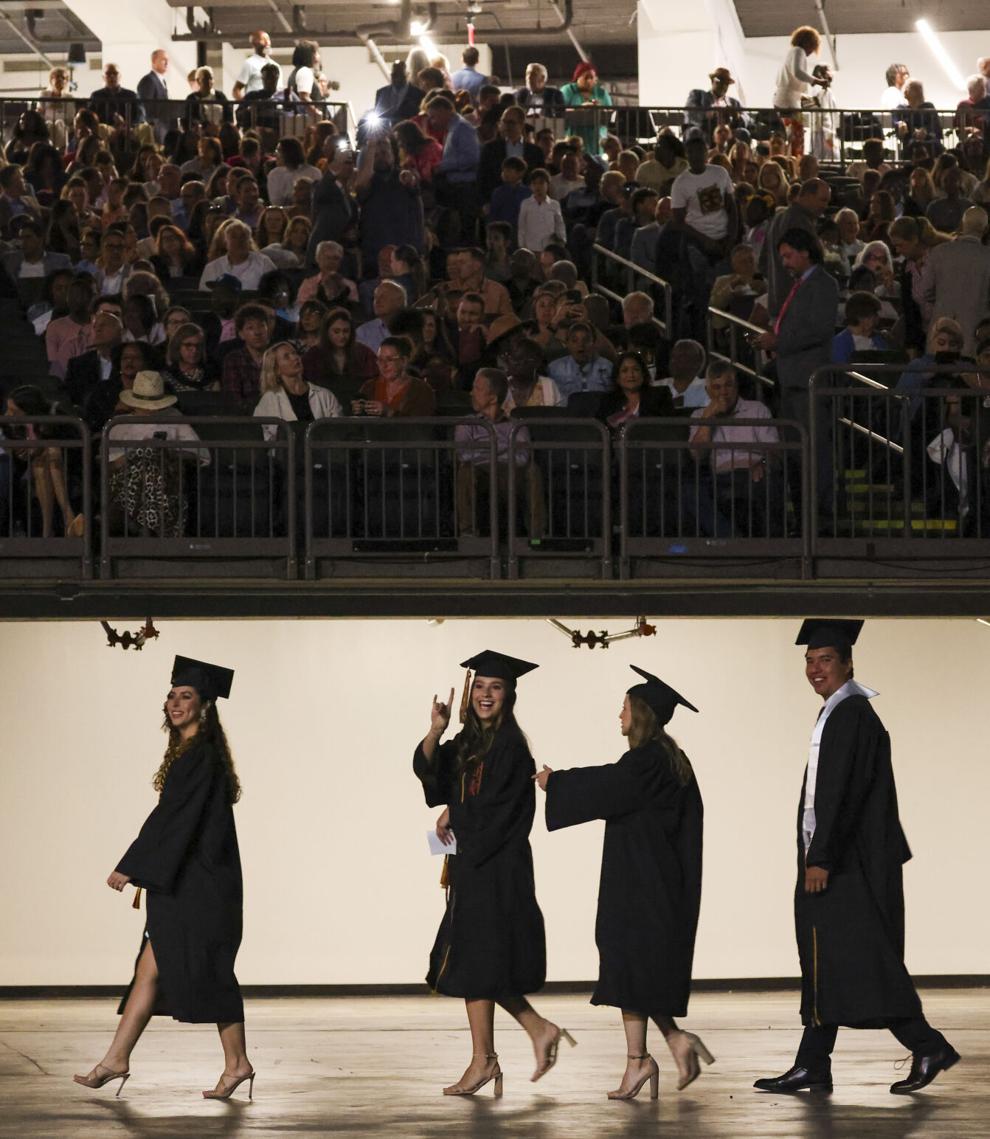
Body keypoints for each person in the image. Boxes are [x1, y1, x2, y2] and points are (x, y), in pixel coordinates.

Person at [754, 621, 960, 1097]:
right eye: (809, 660)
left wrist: (821, 857)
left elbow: (841, 794)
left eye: (825, 659)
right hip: (846, 860)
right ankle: (813, 1064)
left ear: (848, 664)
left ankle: (927, 1045)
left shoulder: (850, 715)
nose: (815, 668)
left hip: (846, 865)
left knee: (861, 960)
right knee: (828, 960)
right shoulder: (842, 712)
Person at [73, 657, 252, 1100]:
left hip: (202, 889)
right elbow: (173, 819)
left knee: (211, 972)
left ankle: (237, 1063)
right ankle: (117, 1059)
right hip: (188, 885)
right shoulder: (191, 754)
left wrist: (131, 865)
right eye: (171, 696)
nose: (175, 703)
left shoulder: (201, 757)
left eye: (186, 696)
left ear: (204, 707)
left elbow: (173, 819)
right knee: (149, 970)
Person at [537, 665, 709, 1098]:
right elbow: (614, 784)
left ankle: (640, 1060)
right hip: (653, 882)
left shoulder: (648, 761)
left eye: (625, 707)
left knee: (630, 965)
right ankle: (671, 1044)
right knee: (637, 970)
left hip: (642, 887)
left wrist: (556, 782)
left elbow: (609, 785)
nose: (620, 715)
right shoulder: (667, 759)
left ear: (641, 713)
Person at [413, 650, 571, 1096]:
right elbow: (432, 774)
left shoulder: (511, 748)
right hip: (474, 867)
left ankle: (491, 1056)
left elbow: (499, 814)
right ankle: (508, 1045)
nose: (485, 695)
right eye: (480, 686)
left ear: (509, 695)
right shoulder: (468, 742)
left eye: (495, 687)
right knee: (476, 962)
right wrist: (436, 730)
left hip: (497, 869)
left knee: (478, 961)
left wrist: (458, 817)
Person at [755, 228, 838, 521]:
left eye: (789, 256)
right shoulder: (801, 285)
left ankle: (821, 517)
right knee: (796, 452)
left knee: (813, 451)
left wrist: (778, 342)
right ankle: (804, 515)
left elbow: (819, 329)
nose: (785, 263)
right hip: (791, 379)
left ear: (805, 252)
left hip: (807, 380)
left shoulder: (822, 284)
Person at [686, 362, 782, 537]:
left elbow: (774, 449)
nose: (723, 392)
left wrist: (763, 462)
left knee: (767, 484)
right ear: (708, 391)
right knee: (690, 492)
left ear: (737, 387)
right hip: (719, 476)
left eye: (728, 385)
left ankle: (764, 542)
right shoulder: (699, 415)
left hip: (752, 472)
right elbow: (697, 455)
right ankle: (732, 537)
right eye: (717, 387)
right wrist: (707, 420)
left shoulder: (756, 409)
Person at [454, 368, 543, 537]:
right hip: (481, 473)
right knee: (466, 470)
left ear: (493, 398)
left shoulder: (517, 425)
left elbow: (522, 458)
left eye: (478, 388)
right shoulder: (466, 423)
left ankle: (536, 537)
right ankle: (468, 534)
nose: (471, 393)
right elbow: (464, 454)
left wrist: (486, 450)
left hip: (510, 475)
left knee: (533, 470)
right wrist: (502, 450)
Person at [924, 206, 990, 353]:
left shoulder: (938, 252)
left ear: (962, 225)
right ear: (986, 229)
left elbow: (926, 292)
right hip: (975, 337)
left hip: (940, 334)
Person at [254, 341, 342, 441]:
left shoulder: (325, 396)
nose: (295, 358)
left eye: (295, 353)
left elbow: (338, 431)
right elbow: (263, 436)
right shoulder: (269, 400)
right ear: (277, 369)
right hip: (286, 451)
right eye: (287, 357)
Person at [773, 27, 829, 157]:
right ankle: (794, 159)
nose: (812, 51)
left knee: (792, 133)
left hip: (786, 98)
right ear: (808, 43)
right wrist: (817, 81)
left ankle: (791, 157)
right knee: (796, 135)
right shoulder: (799, 51)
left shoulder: (792, 52)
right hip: (788, 100)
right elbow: (797, 72)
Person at [560, 62, 613, 156]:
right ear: (577, 77)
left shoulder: (601, 93)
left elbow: (611, 113)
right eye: (586, 77)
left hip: (597, 138)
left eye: (592, 78)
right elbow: (560, 112)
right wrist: (580, 109)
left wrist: (599, 110)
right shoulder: (568, 91)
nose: (589, 80)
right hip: (574, 136)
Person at [684, 67, 746, 141]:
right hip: (705, 132)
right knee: (695, 132)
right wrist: (712, 113)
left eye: (726, 83)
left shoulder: (734, 103)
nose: (723, 85)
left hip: (728, 135)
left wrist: (737, 116)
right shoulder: (698, 95)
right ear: (712, 81)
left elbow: (747, 119)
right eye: (719, 81)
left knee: (743, 133)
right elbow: (690, 113)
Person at [517, 168, 566, 252]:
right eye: (534, 183)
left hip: (549, 247)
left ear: (547, 184)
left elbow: (559, 224)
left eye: (541, 183)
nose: (538, 186)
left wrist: (562, 241)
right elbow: (522, 226)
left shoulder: (554, 205)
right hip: (530, 247)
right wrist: (522, 246)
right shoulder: (526, 204)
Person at [233, 30, 282, 100]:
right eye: (263, 39)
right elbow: (236, 90)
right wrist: (245, 104)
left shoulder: (276, 65)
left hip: (274, 103)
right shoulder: (249, 63)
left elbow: (280, 89)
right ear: (254, 43)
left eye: (268, 39)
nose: (267, 42)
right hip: (256, 103)